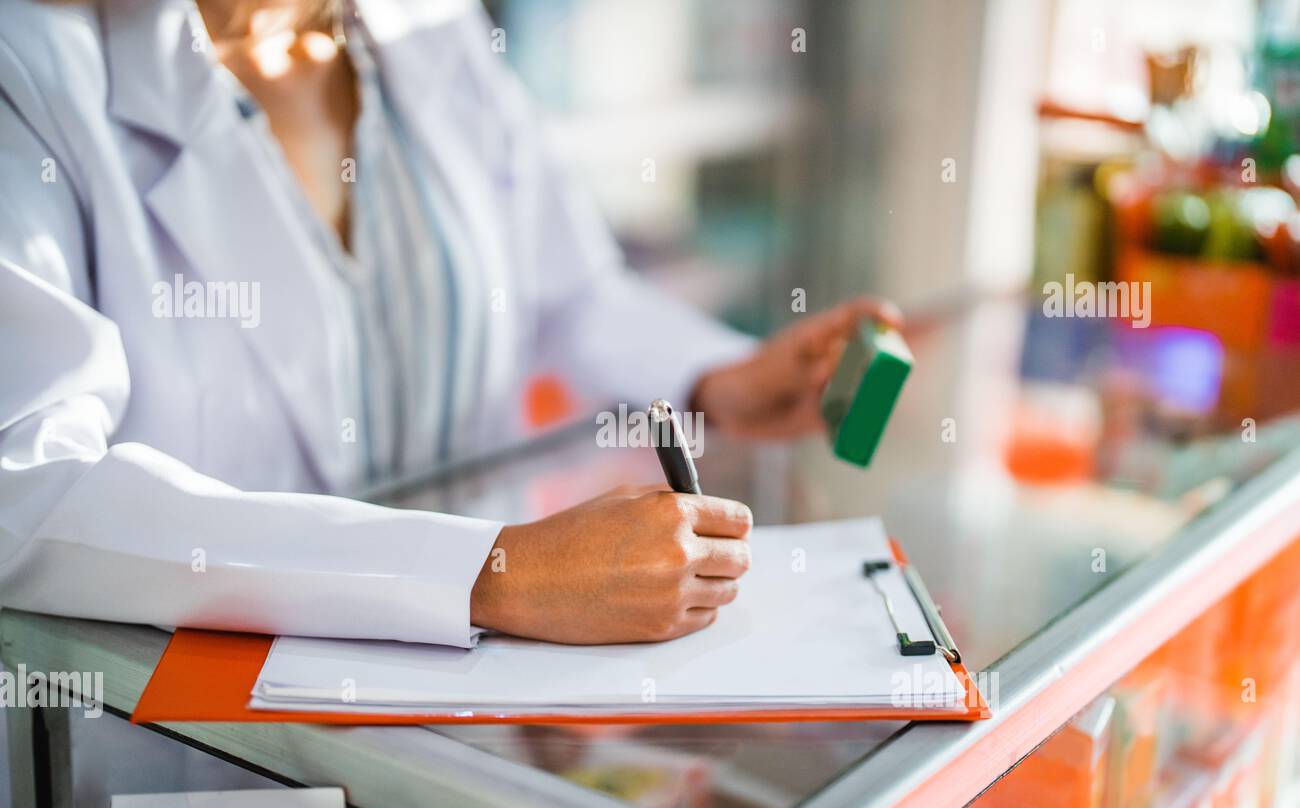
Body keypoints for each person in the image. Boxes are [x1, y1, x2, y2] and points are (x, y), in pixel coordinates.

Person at [0, 0, 900, 647]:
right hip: (196, 757)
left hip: (471, 734)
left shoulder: (430, 27)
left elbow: (567, 289)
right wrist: (497, 573)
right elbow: (27, 490)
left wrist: (717, 381)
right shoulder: (33, 66)